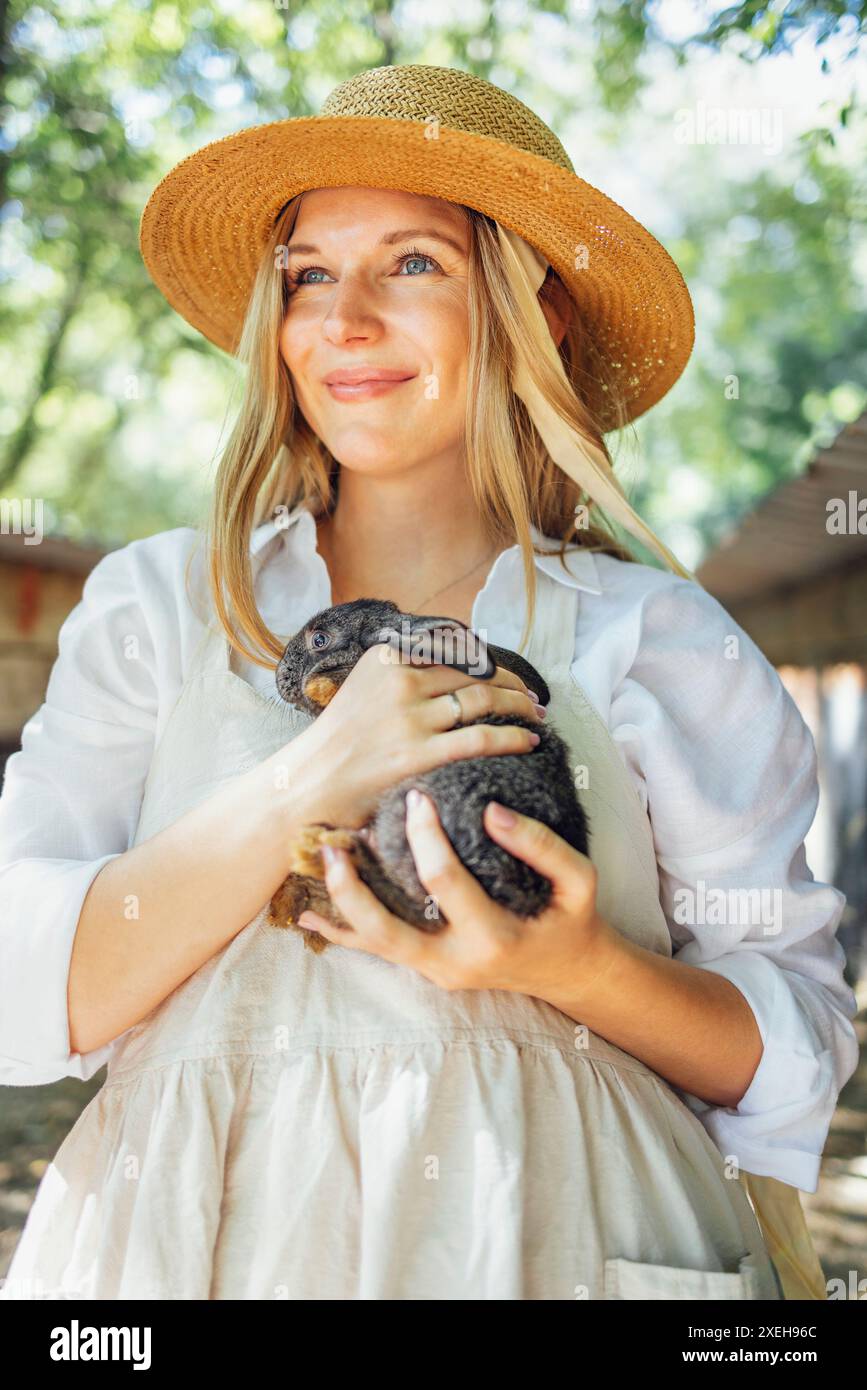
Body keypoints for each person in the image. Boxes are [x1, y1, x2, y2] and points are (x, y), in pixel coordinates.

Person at [0, 63, 857, 1301]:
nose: (343, 320)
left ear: (533, 310)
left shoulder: (664, 640)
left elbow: (797, 1051)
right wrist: (316, 774)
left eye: (412, 264)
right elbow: (29, 993)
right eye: (306, 274)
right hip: (185, 1250)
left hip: (557, 1242)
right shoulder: (159, 608)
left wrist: (571, 968)